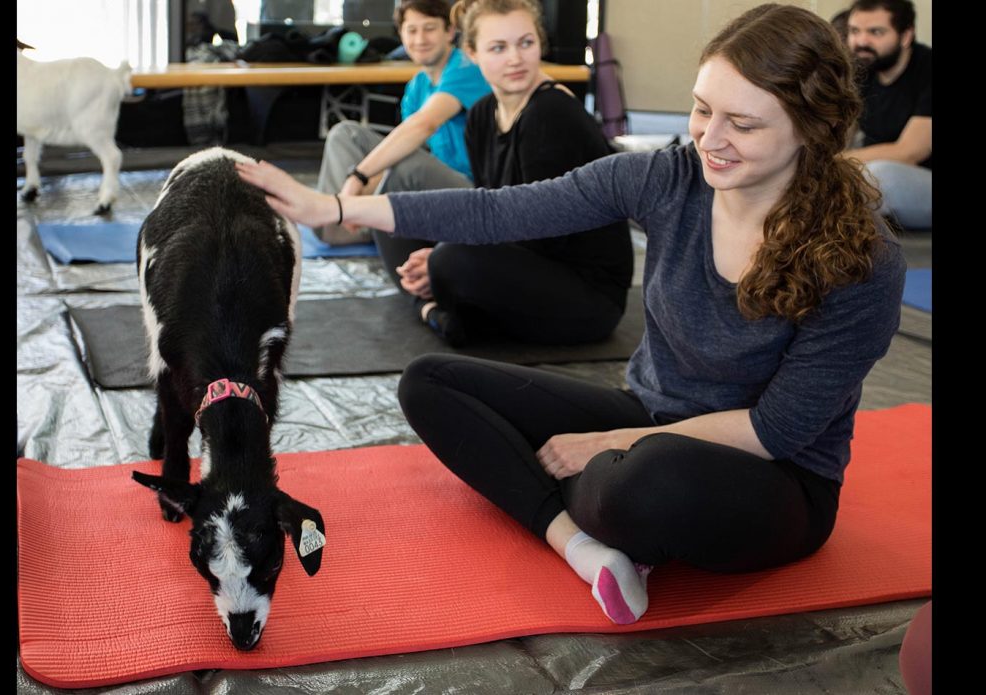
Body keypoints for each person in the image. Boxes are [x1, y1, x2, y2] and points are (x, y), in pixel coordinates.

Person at [237, 3, 906, 625]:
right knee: (430, 381)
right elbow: (502, 210)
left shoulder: (862, 257)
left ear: (810, 130)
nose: (711, 138)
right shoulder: (670, 176)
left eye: (745, 123)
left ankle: (603, 507)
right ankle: (582, 547)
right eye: (702, 110)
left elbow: (774, 429)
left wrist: (615, 444)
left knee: (639, 485)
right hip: (651, 417)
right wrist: (335, 208)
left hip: (774, 478)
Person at [374, 0, 632, 346]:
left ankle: (436, 308)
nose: (515, 58)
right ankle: (437, 310)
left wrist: (438, 257)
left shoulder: (552, 112)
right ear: (471, 53)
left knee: (453, 257)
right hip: (521, 265)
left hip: (582, 295)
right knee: (393, 216)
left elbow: (538, 233)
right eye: (498, 48)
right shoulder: (482, 114)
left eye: (526, 43)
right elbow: (488, 208)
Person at [314, 0, 490, 244]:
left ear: (449, 32)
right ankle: (338, 219)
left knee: (407, 164)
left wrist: (358, 178)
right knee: (344, 133)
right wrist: (359, 190)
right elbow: (408, 149)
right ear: (401, 35)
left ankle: (352, 219)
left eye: (429, 28)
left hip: (473, 191)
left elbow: (423, 125)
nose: (420, 39)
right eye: (412, 30)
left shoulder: (465, 67)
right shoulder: (417, 86)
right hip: (433, 184)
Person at [844, 0, 931, 229]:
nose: (862, 41)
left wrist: (833, 162)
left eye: (875, 32)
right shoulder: (862, 72)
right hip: (877, 179)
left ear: (905, 36)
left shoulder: (927, 70)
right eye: (854, 31)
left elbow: (908, 152)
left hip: (918, 181)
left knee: (881, 174)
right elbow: (840, 136)